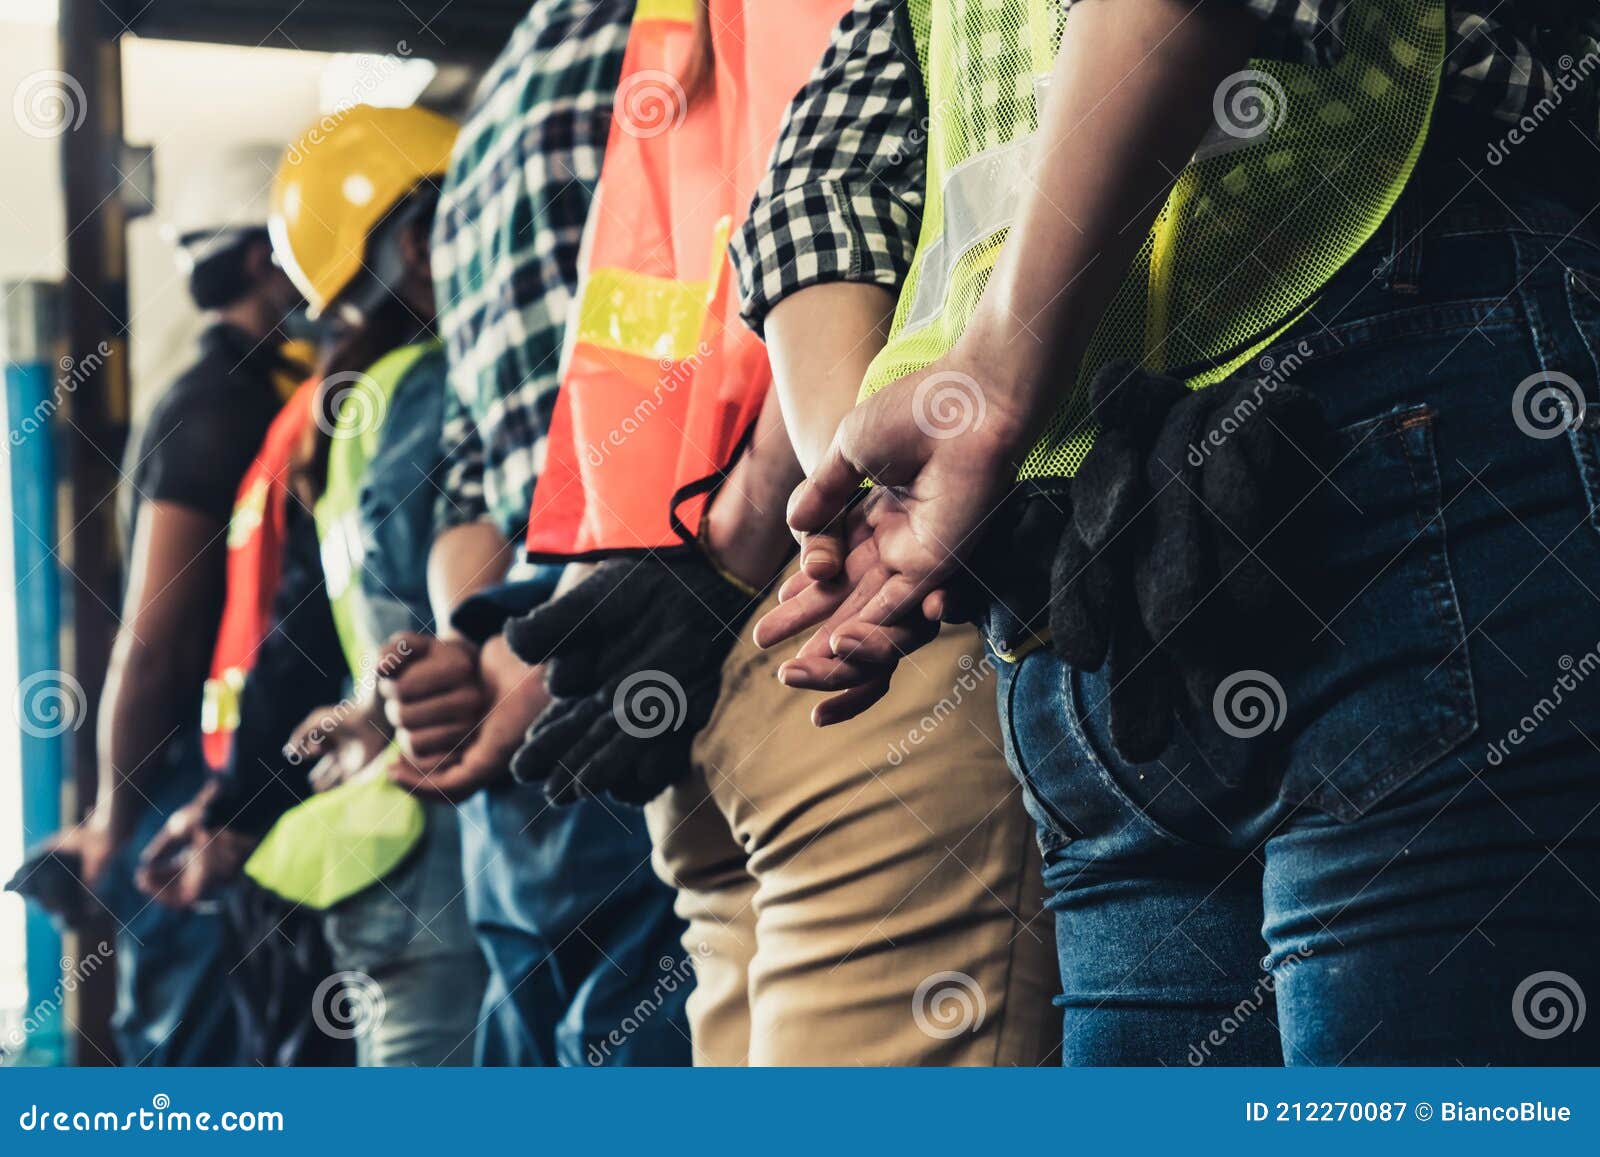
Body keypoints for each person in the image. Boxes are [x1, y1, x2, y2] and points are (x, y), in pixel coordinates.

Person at [745, 0, 1600, 1064]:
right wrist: (969, 410)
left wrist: (899, 464)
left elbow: (819, 188)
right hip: (1368, 436)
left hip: (1086, 520)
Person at [499, 0, 1057, 1066]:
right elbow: (881, 220)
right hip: (847, 604)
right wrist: (751, 531)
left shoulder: (637, 50)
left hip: (734, 617)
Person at [139, 105, 488, 1067]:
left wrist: (235, 801)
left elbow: (298, 629)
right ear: (421, 243)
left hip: (368, 833)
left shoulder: (340, 410)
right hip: (444, 827)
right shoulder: (434, 385)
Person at [379, 0, 691, 1066]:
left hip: (541, 680)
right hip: (644, 646)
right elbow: (714, 362)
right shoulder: (664, 31)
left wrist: (470, 646)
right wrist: (510, 656)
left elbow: (467, 469)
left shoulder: (486, 125)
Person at [44, 218, 304, 1065]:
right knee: (198, 1064)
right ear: (266, 257)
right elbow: (152, 642)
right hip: (188, 792)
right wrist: (113, 823)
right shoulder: (221, 401)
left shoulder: (232, 388)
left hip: (212, 784)